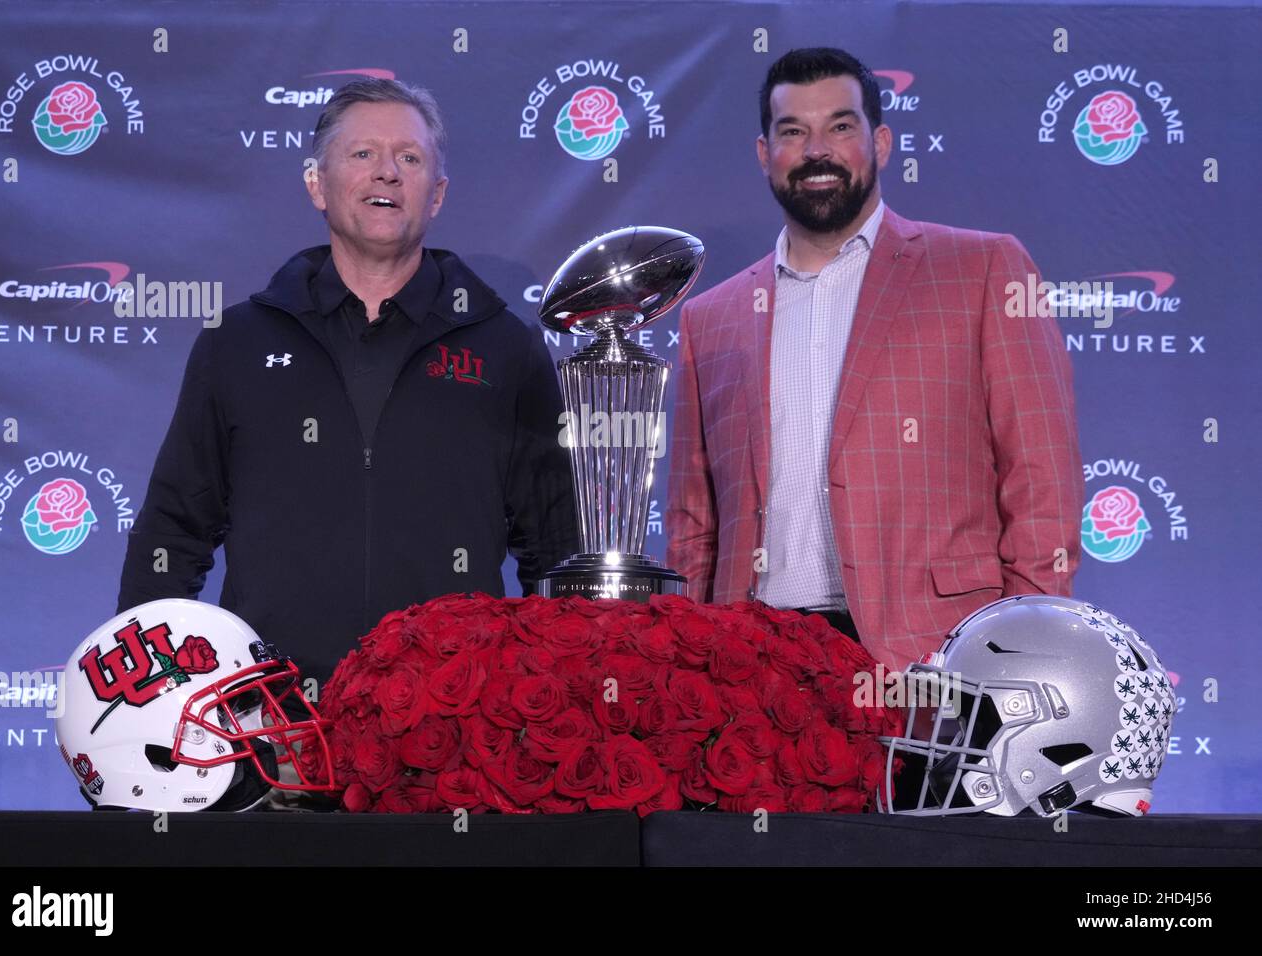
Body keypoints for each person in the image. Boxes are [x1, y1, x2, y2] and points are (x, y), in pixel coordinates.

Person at [118, 79, 578, 806]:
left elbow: (555, 550)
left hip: (451, 742)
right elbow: (175, 531)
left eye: (410, 158)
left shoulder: (507, 348)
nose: (388, 172)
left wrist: (556, 715)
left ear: (439, 193)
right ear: (317, 184)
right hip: (267, 742)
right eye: (363, 153)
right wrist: (143, 697)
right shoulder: (236, 343)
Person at [666, 48, 1084, 673]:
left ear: (881, 143)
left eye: (840, 127)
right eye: (792, 132)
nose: (816, 150)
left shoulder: (982, 270)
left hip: (935, 664)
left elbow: (1041, 482)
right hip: (750, 667)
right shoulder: (712, 317)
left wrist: (1019, 658)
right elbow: (694, 526)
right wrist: (690, 660)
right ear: (764, 155)